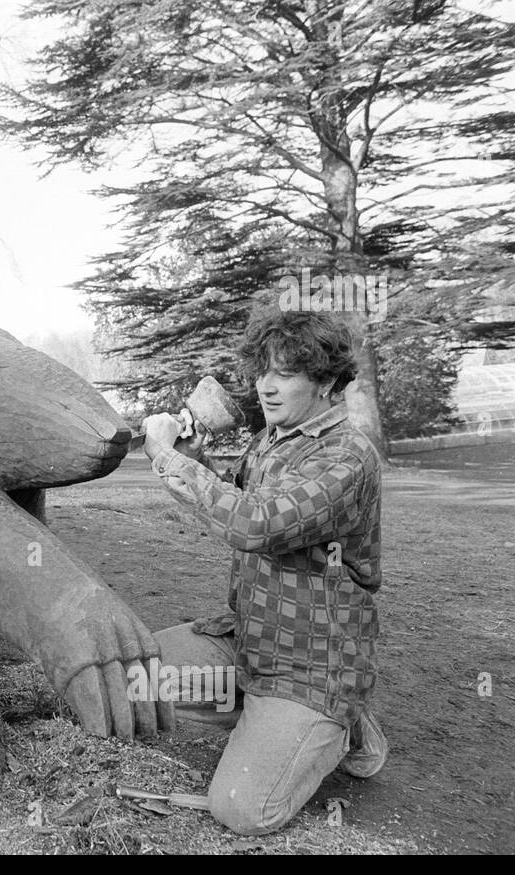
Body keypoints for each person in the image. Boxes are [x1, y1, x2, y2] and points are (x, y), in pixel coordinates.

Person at [141, 307, 387, 836]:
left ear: (325, 382)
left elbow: (257, 523)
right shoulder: (272, 440)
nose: (266, 388)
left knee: (242, 810)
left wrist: (165, 457)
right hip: (249, 640)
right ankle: (271, 720)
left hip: (312, 663)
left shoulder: (347, 456)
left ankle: (334, 725)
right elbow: (234, 498)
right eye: (263, 372)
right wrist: (194, 459)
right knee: (131, 678)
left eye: (286, 374)